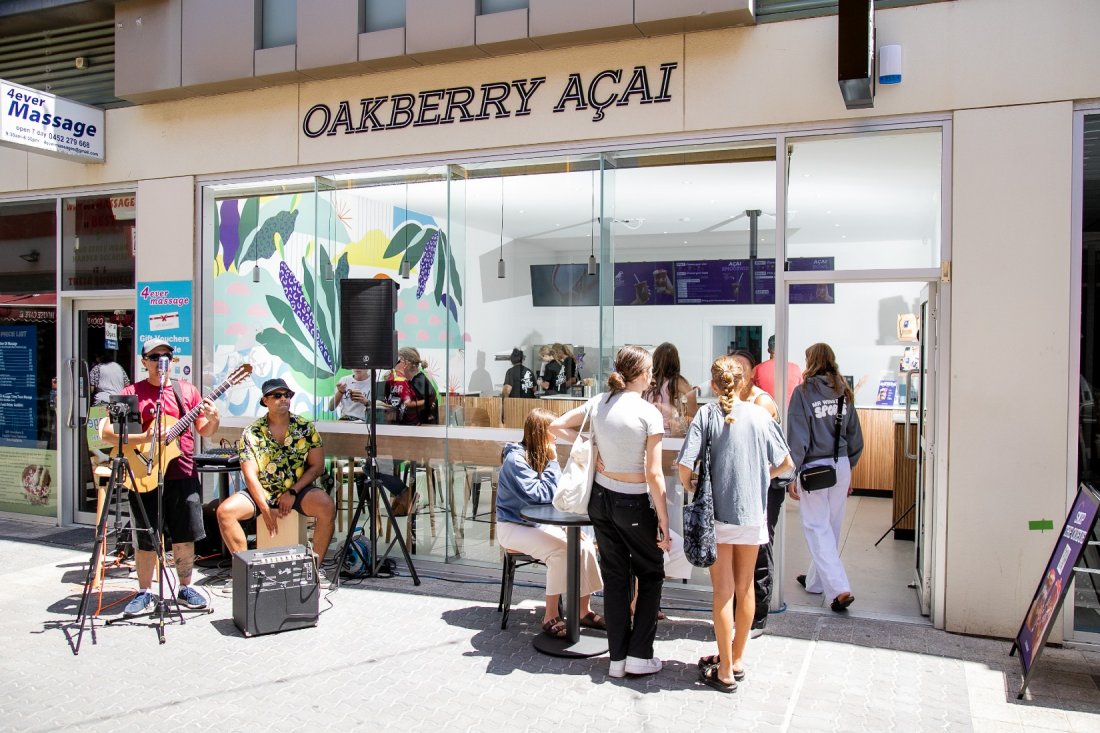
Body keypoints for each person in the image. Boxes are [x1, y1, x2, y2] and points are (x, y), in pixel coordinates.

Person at [550, 345, 671, 678]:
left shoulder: (599, 402)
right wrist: (664, 519)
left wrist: (593, 446)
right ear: (643, 374)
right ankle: (638, 656)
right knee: (650, 575)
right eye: (649, 370)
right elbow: (654, 474)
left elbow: (555, 425)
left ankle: (617, 659)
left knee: (616, 578)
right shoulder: (649, 413)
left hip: (601, 500)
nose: (651, 375)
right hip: (633, 501)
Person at [678, 355, 793, 692]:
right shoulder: (760, 414)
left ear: (714, 385)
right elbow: (786, 463)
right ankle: (737, 660)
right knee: (746, 592)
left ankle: (724, 670)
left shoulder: (707, 414)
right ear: (743, 382)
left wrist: (691, 485)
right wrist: (762, 477)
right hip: (752, 513)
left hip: (718, 516)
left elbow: (686, 467)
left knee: (722, 594)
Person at [99, 338, 220, 616]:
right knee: (146, 534)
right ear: (144, 362)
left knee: (185, 533)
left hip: (182, 470)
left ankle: (185, 587)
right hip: (146, 472)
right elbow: (107, 431)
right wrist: (146, 436)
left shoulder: (185, 390)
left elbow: (205, 430)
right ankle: (145, 591)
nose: (160, 361)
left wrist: (214, 419)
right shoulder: (132, 392)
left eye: (166, 355)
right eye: (154, 357)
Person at [496, 409, 604, 636]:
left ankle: (583, 610)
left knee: (583, 544)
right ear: (541, 433)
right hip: (513, 526)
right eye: (552, 432)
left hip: (538, 525)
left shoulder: (539, 455)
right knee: (562, 552)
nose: (556, 437)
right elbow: (538, 495)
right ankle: (550, 614)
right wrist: (554, 462)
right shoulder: (516, 460)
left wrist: (564, 525)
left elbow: (556, 498)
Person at [216, 378, 336, 565]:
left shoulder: (305, 427)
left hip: (297, 490)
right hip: (262, 492)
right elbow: (250, 474)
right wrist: (264, 507)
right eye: (278, 395)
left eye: (287, 395)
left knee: (327, 506)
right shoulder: (252, 432)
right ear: (265, 401)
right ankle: (245, 570)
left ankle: (314, 569)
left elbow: (317, 467)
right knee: (225, 512)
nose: (284, 399)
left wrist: (292, 491)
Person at [786, 342, 864, 613]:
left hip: (813, 468)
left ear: (811, 362)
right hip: (840, 464)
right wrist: (848, 467)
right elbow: (855, 436)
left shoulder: (803, 392)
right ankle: (815, 582)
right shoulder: (844, 390)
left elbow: (798, 438)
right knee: (831, 526)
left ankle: (839, 589)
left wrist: (791, 473)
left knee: (817, 528)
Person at [729, 352, 787, 637]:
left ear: (752, 373)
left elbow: (778, 457)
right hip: (742, 487)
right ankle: (739, 615)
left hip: (765, 488)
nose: (735, 373)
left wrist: (761, 475)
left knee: (760, 550)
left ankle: (755, 619)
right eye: (731, 368)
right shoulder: (731, 402)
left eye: (740, 368)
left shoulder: (760, 402)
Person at [642, 342, 698, 438]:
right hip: (669, 434)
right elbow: (691, 395)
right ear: (676, 361)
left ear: (655, 359)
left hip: (648, 432)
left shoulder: (648, 381)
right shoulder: (676, 381)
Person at [384, 347, 438, 425]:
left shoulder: (417, 381)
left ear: (404, 362)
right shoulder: (399, 379)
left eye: (397, 361)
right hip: (403, 425)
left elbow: (407, 406)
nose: (394, 364)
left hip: (412, 426)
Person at [753, 335, 803, 408]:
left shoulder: (757, 369)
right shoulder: (796, 368)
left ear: (768, 350)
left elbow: (749, 394)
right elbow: (802, 393)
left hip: (765, 413)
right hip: (789, 414)